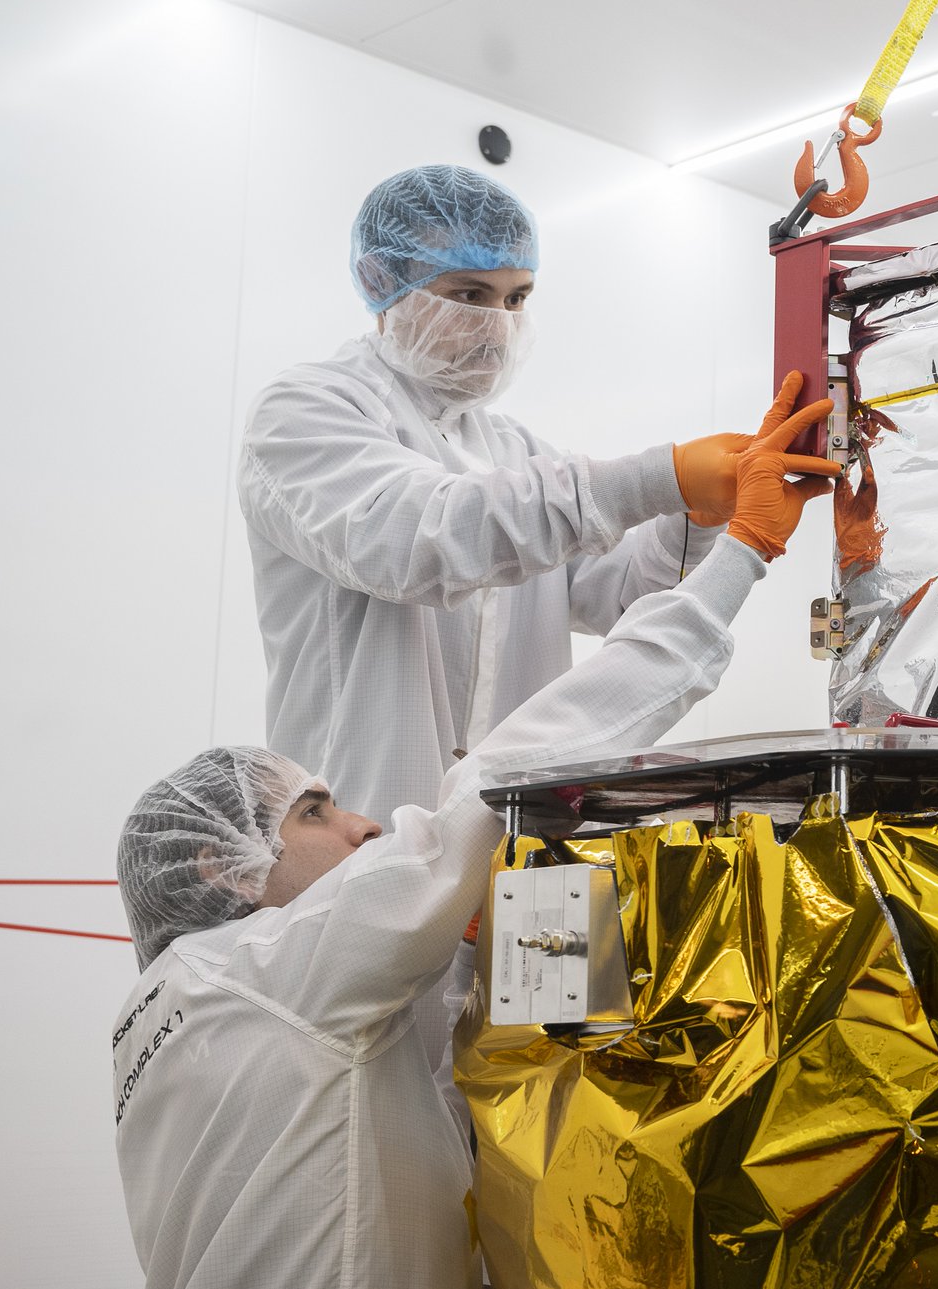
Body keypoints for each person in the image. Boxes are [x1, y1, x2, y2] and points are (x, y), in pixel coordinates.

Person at [110, 392, 835, 1289]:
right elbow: (507, 772)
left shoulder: (180, 1007)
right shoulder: (279, 970)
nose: (363, 823)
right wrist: (739, 554)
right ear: (217, 865)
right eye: (318, 810)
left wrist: (681, 524)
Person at [240, 163, 783, 831]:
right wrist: (654, 479)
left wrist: (694, 518)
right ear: (384, 284)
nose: (498, 327)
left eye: (517, 298)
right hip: (352, 832)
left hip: (500, 835)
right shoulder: (308, 409)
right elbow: (413, 541)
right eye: (470, 295)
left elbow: (623, 598)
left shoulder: (516, 451)